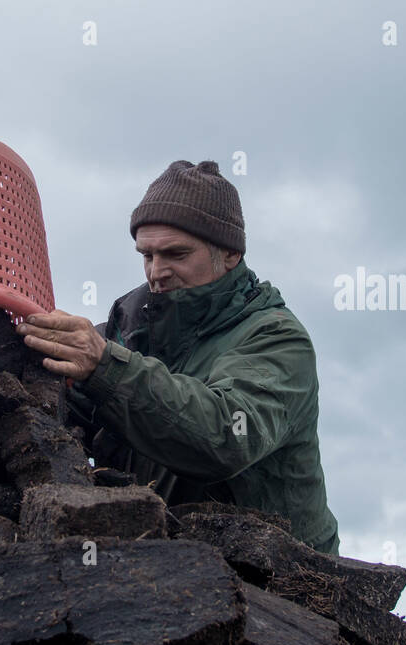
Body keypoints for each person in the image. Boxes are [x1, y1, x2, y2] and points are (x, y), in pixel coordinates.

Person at [17, 159, 340, 555]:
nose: (157, 272)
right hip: (163, 564)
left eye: (176, 254)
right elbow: (65, 405)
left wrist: (105, 368)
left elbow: (225, 437)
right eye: (147, 255)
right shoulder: (127, 332)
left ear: (230, 254)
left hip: (279, 576)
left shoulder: (276, 339)